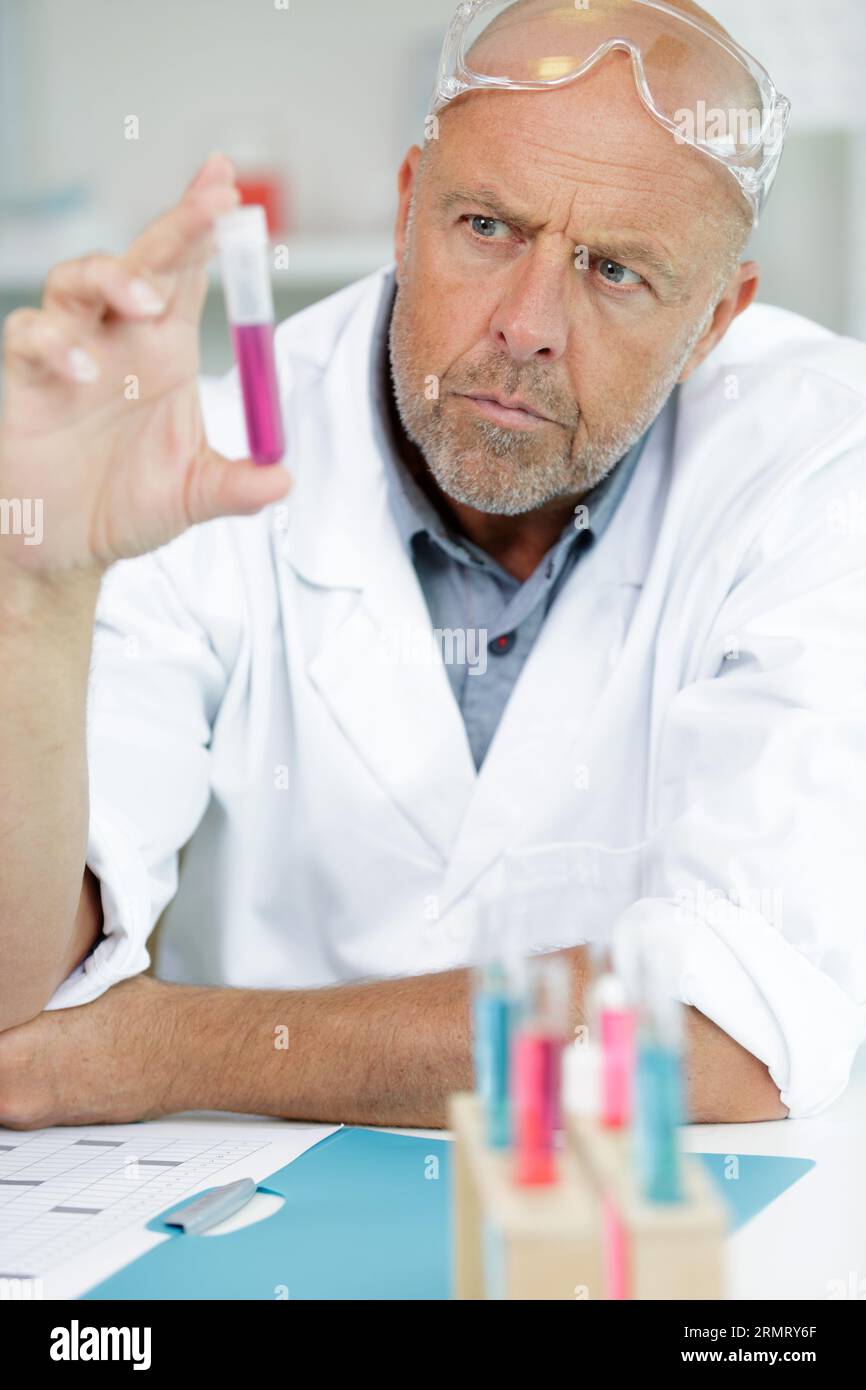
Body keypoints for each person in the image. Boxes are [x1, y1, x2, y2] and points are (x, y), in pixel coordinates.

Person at [1, 0, 864, 1131]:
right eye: (487, 227)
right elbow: (20, 987)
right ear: (410, 207)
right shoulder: (200, 460)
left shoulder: (818, 457)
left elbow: (730, 1034)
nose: (525, 323)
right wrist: (39, 587)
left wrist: (161, 1047)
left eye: (614, 270)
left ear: (713, 321)